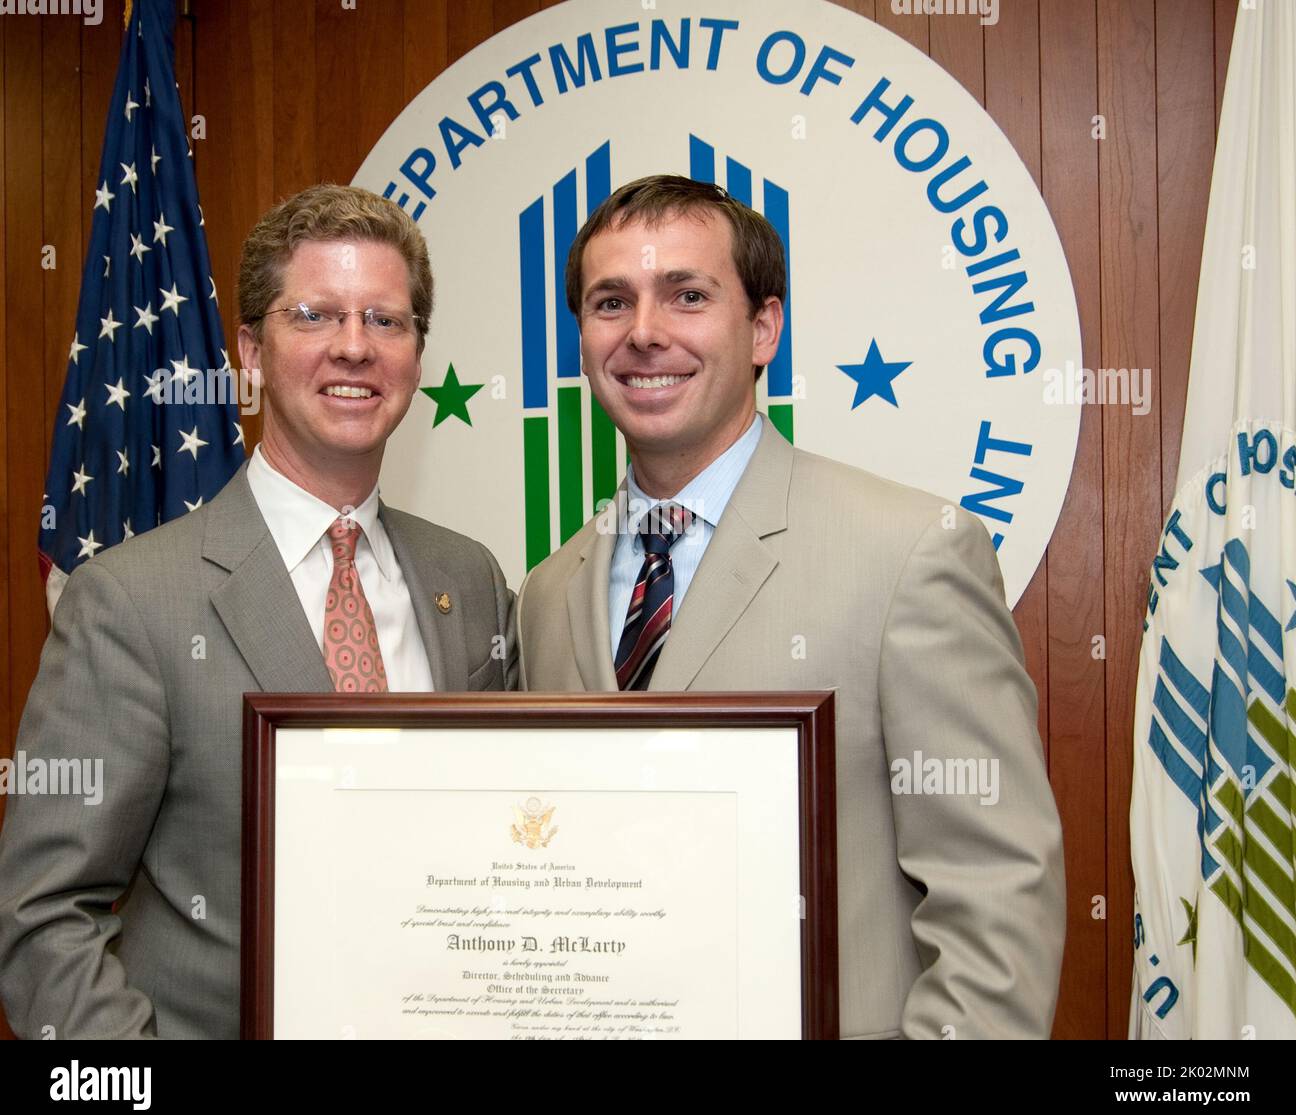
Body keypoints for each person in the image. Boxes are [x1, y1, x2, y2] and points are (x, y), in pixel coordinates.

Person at [515, 174, 1066, 1039]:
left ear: (763, 328)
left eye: (687, 296)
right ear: (581, 338)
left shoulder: (909, 553)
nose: (645, 333)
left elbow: (998, 897)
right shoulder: (548, 596)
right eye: (610, 302)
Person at [0, 184, 516, 1039]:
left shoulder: (469, 579)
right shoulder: (129, 603)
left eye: (386, 321)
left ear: (418, 355)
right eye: (314, 316)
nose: (355, 348)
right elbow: (43, 915)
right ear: (249, 350)